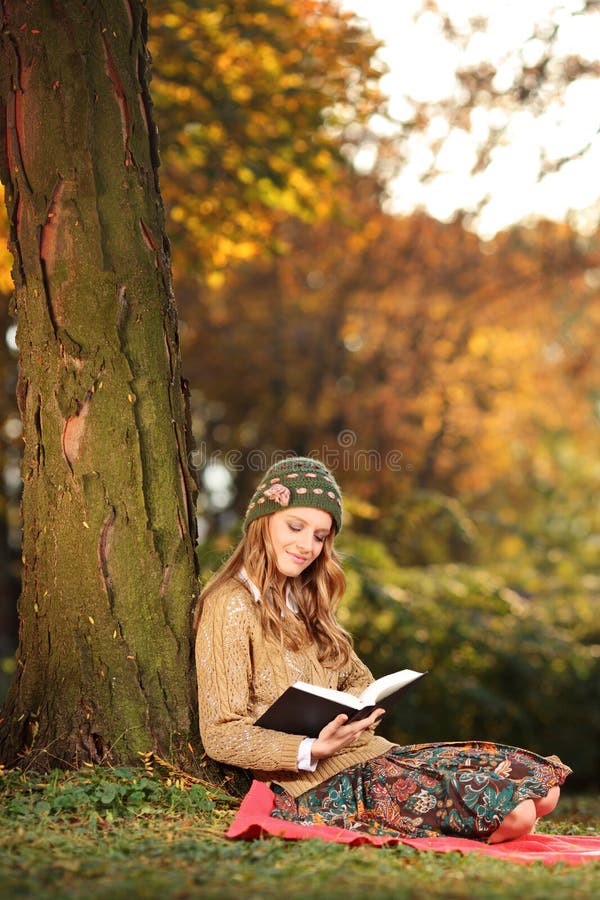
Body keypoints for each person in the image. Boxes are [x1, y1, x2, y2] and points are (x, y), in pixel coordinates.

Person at [195, 456, 571, 842]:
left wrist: (357, 712)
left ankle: (466, 818)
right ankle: (466, 828)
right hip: (316, 786)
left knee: (544, 788)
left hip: (372, 754)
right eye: (296, 526)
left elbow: (357, 677)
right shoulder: (230, 604)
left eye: (320, 536)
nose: (307, 546)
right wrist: (312, 747)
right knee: (519, 813)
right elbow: (222, 734)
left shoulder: (304, 599)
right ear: (263, 522)